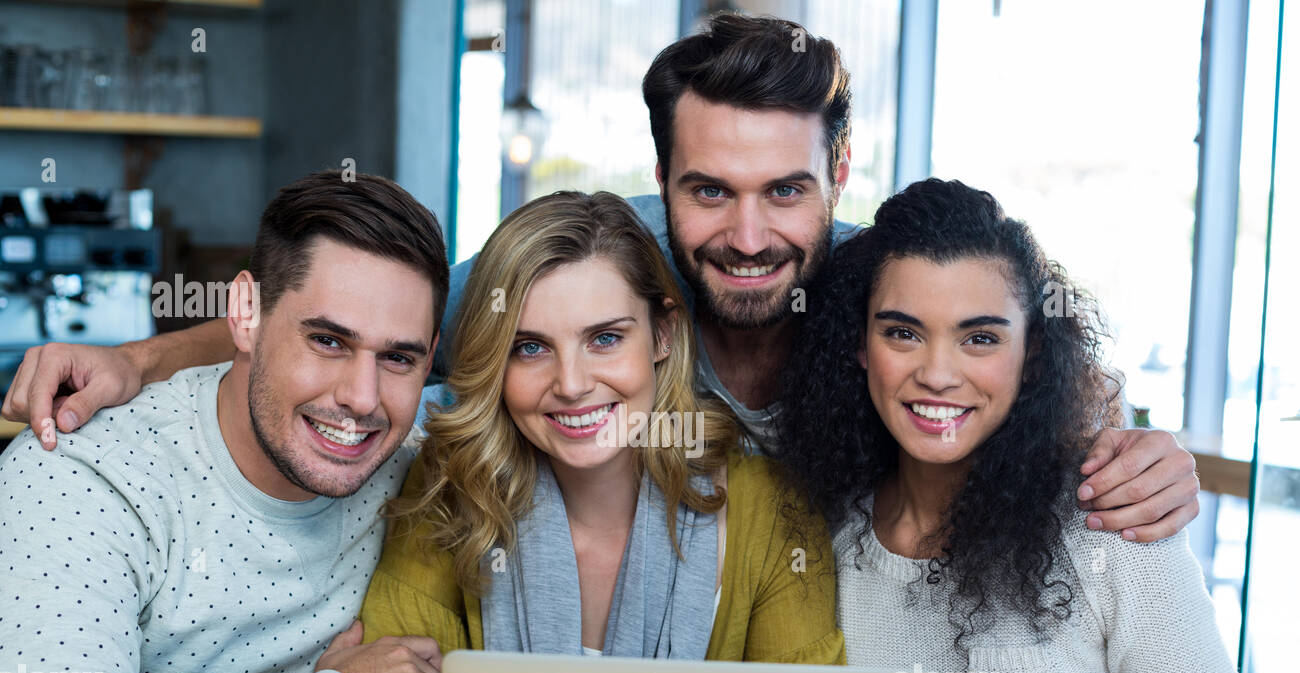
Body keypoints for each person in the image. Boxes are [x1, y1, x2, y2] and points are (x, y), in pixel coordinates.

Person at [2, 13, 1201, 544]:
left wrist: (1132, 437)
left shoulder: (881, 280)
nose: (746, 233)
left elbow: (1025, 352)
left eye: (786, 191)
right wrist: (135, 358)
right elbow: (361, 329)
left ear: (838, 169)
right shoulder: (595, 265)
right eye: (707, 191)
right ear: (660, 177)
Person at [309, 191, 844, 673]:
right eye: (530, 347)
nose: (571, 384)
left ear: (663, 335)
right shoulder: (450, 490)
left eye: (605, 339)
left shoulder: (773, 510)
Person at [776, 178, 1264, 673]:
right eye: (903, 333)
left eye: (980, 339)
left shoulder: (1113, 520)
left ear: (1030, 357)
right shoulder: (827, 527)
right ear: (861, 348)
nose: (939, 374)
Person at [0, 171, 452, 673]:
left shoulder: (415, 475)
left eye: (398, 358)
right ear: (244, 314)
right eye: (327, 341)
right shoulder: (81, 474)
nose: (362, 398)